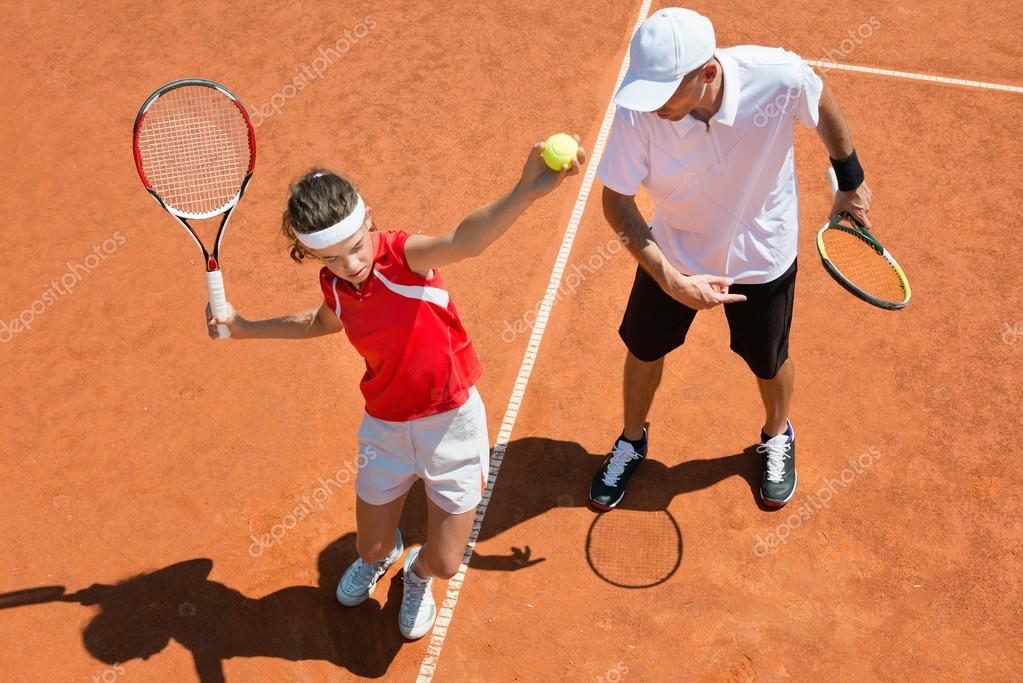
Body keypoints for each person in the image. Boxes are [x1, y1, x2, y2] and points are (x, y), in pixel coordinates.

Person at [207, 139, 585, 639]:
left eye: (357, 247)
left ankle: (417, 574)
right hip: (385, 428)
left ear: (370, 221)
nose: (351, 264)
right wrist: (245, 327)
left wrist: (524, 192)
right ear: (310, 254)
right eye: (332, 257)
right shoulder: (335, 284)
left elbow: (466, 239)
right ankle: (383, 554)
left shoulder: (405, 255)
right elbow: (321, 322)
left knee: (447, 562)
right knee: (367, 548)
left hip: (452, 423)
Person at [588, 8, 871, 510]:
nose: (653, 106)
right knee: (644, 349)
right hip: (674, 249)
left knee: (768, 360)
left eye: (664, 94)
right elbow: (616, 202)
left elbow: (818, 96)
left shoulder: (775, 76)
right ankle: (632, 440)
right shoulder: (641, 110)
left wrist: (849, 178)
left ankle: (777, 434)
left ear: (708, 74)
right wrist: (671, 279)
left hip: (762, 253)